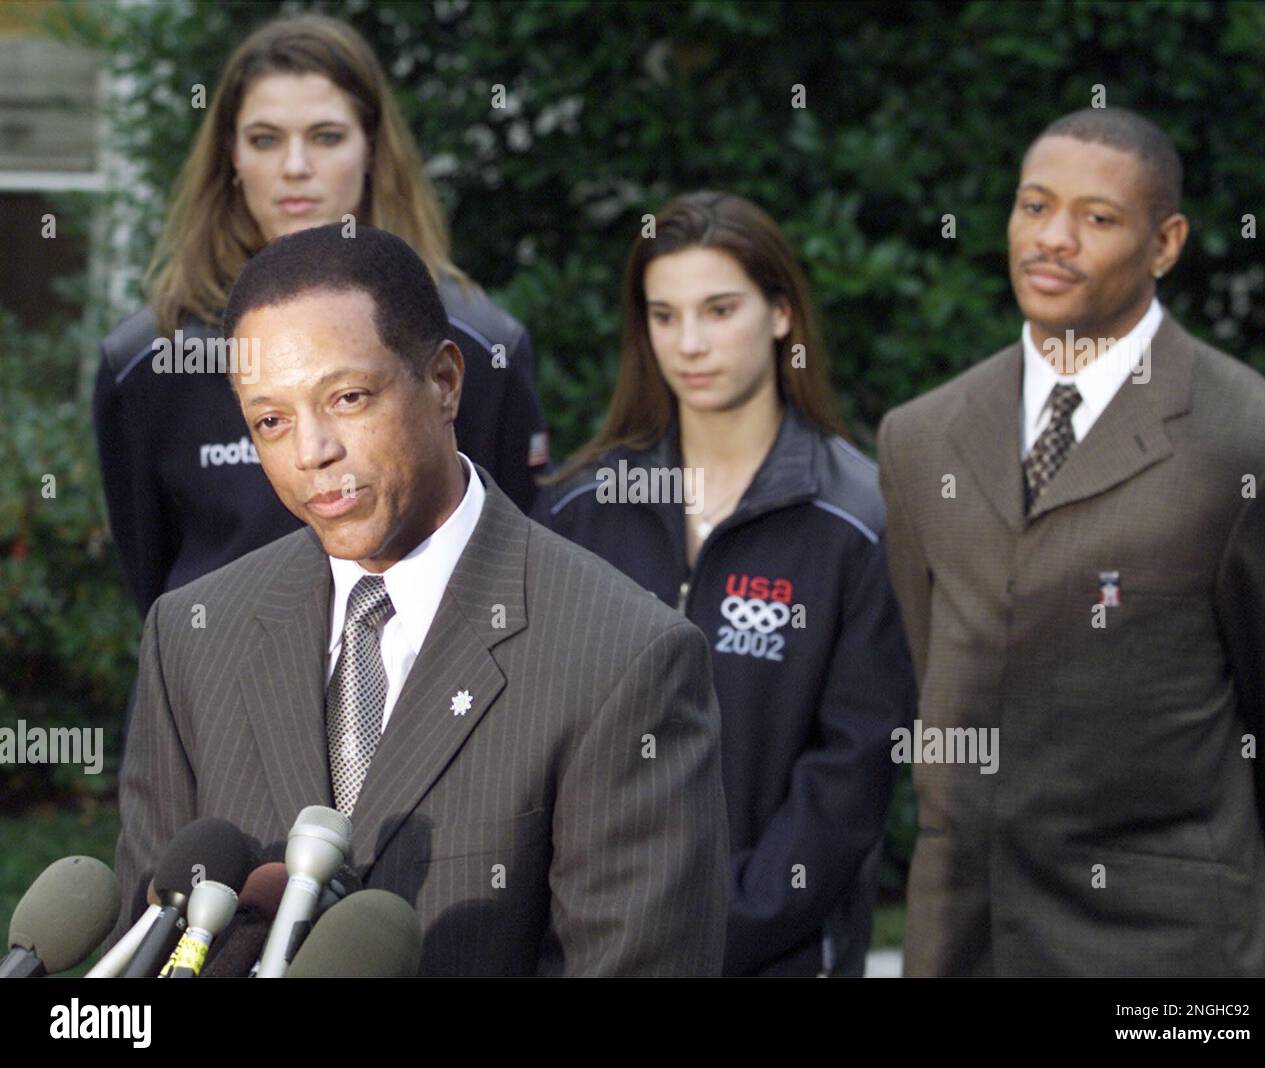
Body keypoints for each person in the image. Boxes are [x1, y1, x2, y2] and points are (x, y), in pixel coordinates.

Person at [107, 224, 730, 976]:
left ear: (443, 382)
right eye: (271, 421)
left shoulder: (623, 657)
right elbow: (143, 950)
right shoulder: (193, 636)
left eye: (347, 397)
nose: (312, 452)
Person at [878, 107, 1265, 976]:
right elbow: (943, 678)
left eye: (1097, 218)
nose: (1053, 239)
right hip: (965, 935)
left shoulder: (1258, 442)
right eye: (1035, 207)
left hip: (1171, 955)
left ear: (1166, 242)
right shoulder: (920, 437)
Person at [533, 191, 914, 976]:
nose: (690, 343)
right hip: (595, 945)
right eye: (663, 315)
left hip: (777, 952)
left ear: (781, 314)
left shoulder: (858, 520)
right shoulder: (581, 511)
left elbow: (851, 773)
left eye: (718, 309)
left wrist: (723, 927)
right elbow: (537, 742)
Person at [93, 13, 549, 621]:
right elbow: (152, 573)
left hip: (438, 700)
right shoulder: (148, 359)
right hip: (217, 701)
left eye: (327, 136)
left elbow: (514, 561)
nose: (296, 166)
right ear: (230, 155)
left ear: (372, 151)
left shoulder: (477, 342)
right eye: (265, 139)